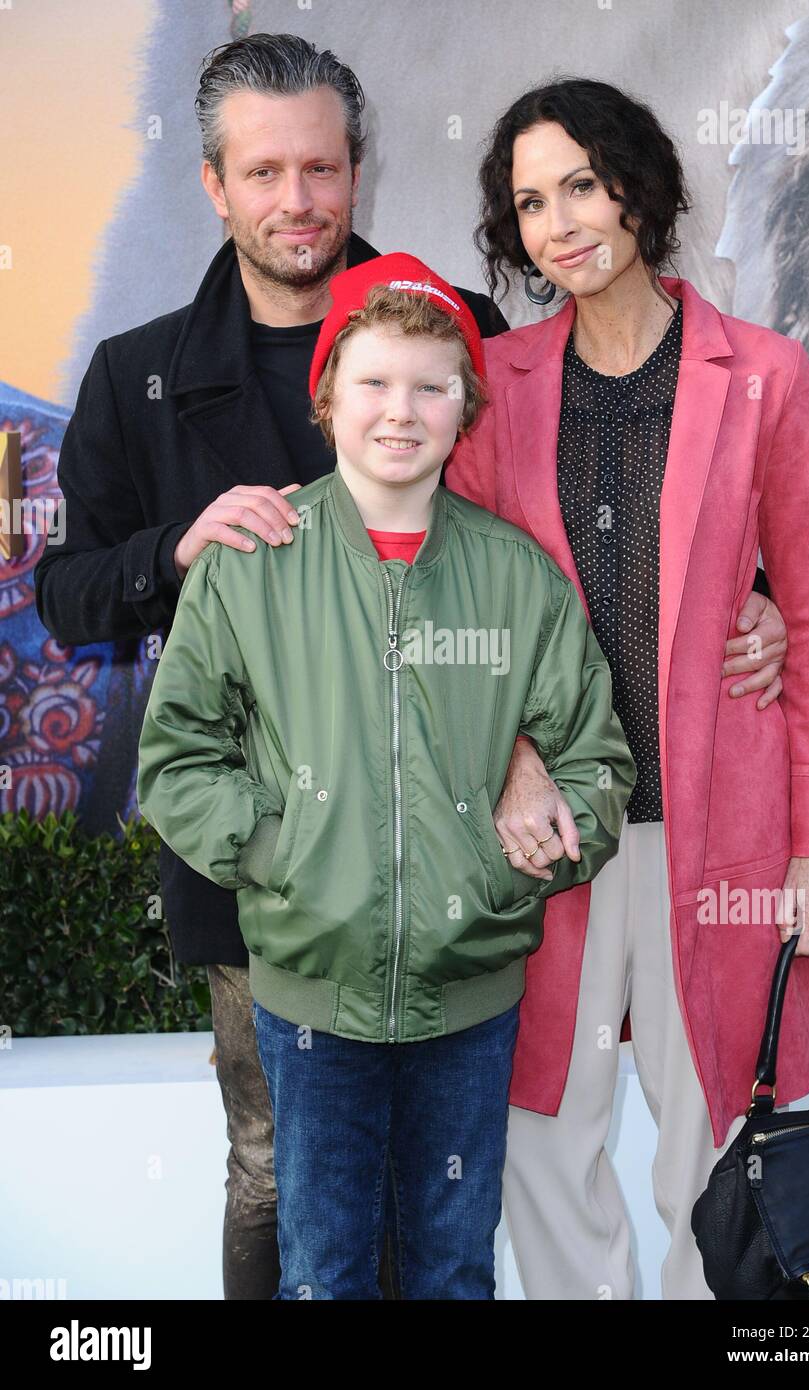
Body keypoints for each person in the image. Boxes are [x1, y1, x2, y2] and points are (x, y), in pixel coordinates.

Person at [32, 33, 511, 1300]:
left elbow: (554, 530)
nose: (297, 201)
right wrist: (171, 552)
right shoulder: (136, 378)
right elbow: (65, 595)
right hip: (260, 850)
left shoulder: (458, 333)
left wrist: (750, 604)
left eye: (321, 167)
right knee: (276, 1162)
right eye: (265, 173)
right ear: (213, 184)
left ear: (357, 171)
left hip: (445, 840)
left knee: (440, 1171)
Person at [135, 253, 638, 1299]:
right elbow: (178, 756)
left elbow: (598, 760)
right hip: (312, 1004)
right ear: (326, 399)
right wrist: (286, 852)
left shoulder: (515, 578)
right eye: (372, 382)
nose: (399, 411)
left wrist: (535, 853)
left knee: (454, 1267)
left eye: (431, 386)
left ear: (467, 409)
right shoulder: (253, 564)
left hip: (471, 999)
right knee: (324, 1272)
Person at [443, 77, 809, 1300]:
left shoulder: (764, 373)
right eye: (529, 201)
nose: (559, 222)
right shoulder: (492, 385)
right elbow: (455, 605)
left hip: (718, 824)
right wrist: (505, 755)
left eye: (580, 184)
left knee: (715, 1134)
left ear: (639, 187)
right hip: (551, 831)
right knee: (540, 1131)